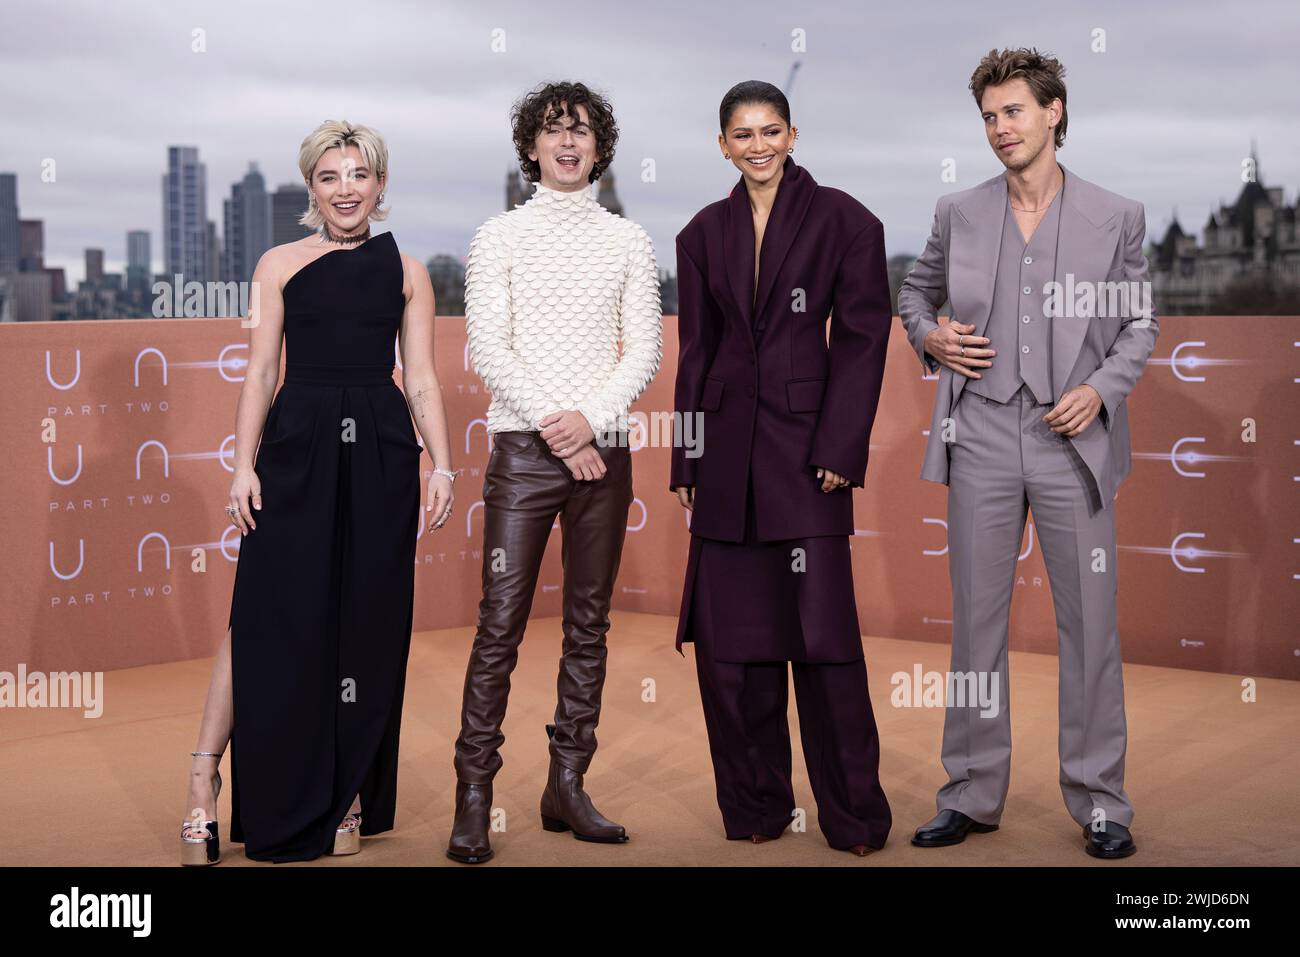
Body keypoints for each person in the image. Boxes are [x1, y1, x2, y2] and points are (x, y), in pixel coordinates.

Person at [898, 48, 1157, 859]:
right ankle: (971, 791)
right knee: (976, 628)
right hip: (977, 434)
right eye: (988, 116)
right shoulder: (959, 210)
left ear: (1053, 113)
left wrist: (1103, 389)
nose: (1000, 128)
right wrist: (931, 335)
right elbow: (914, 293)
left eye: (1013, 111)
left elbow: (1141, 323)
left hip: (1071, 441)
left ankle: (1102, 801)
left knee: (1090, 626)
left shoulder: (1117, 215)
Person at [181, 120, 457, 864]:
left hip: (381, 452)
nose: (346, 189)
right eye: (330, 176)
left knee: (364, 622)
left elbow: (422, 376)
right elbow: (260, 372)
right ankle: (204, 781)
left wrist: (444, 461)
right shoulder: (277, 264)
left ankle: (346, 791)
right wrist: (242, 465)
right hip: (295, 446)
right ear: (312, 187)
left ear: (380, 185)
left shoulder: (406, 271)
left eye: (359, 175)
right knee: (264, 615)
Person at [669, 80, 893, 856]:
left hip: (809, 461)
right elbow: (696, 352)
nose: (757, 145)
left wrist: (840, 447)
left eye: (770, 131)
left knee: (826, 647)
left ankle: (855, 818)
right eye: (742, 134)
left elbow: (864, 341)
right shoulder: (700, 233)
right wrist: (688, 454)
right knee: (732, 654)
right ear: (722, 145)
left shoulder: (848, 221)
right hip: (726, 461)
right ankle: (756, 807)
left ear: (793, 136)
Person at [446, 81, 663, 864]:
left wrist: (588, 424)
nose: (567, 143)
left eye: (581, 131)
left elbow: (643, 349)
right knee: (498, 624)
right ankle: (474, 796)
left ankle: (566, 784)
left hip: (603, 453)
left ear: (600, 148)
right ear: (531, 148)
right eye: (552, 130)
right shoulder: (496, 237)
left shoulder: (630, 241)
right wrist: (560, 427)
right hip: (526, 455)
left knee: (589, 625)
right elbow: (488, 350)